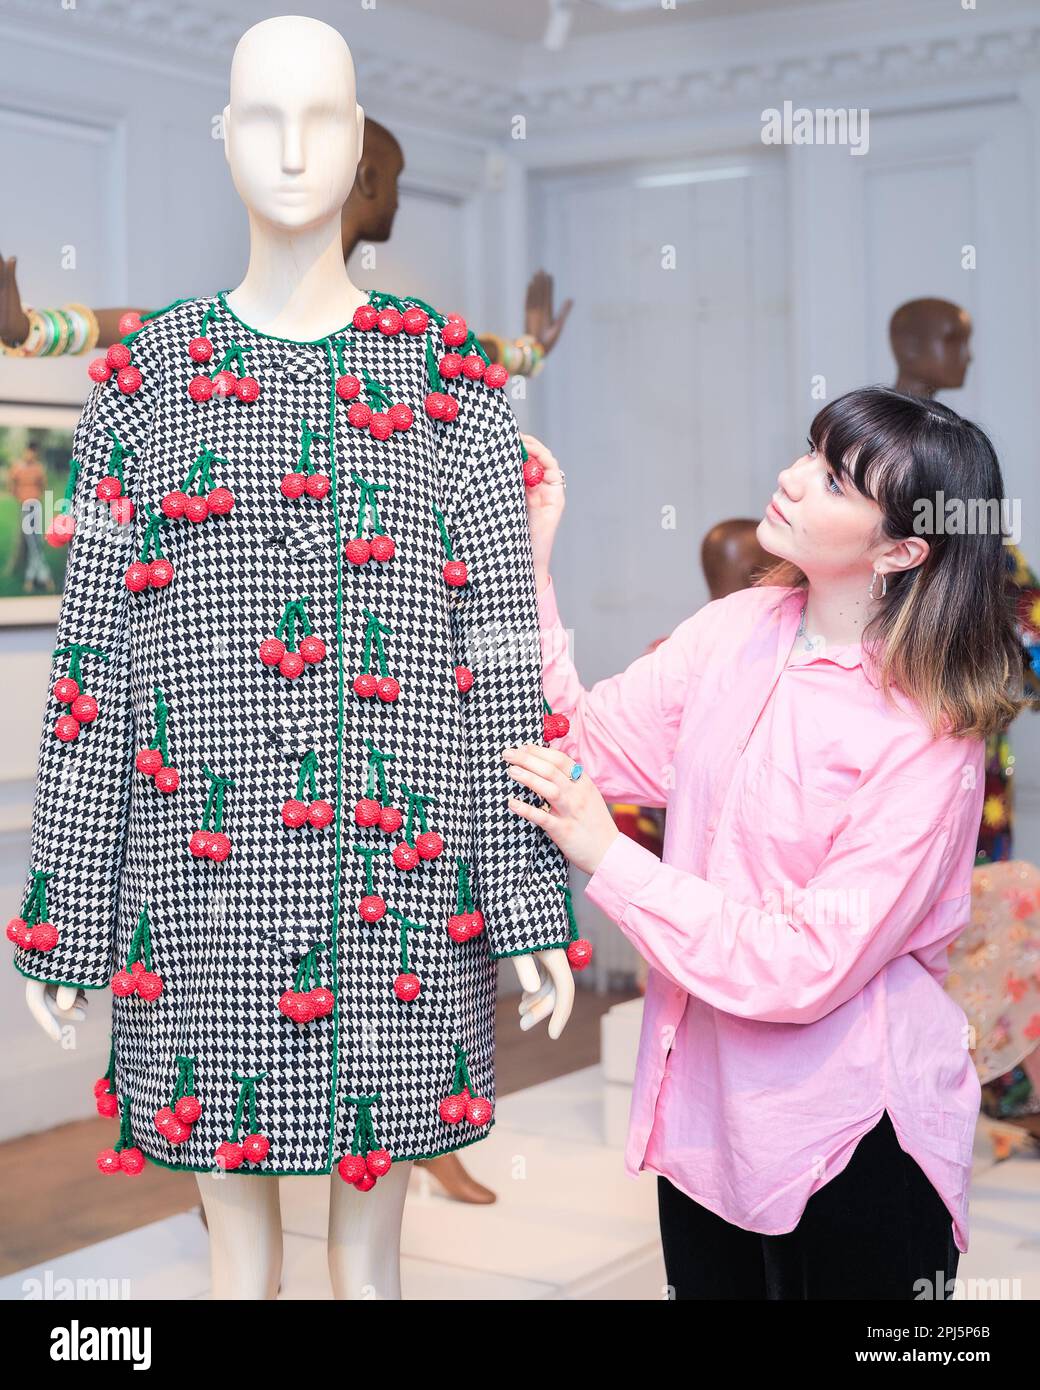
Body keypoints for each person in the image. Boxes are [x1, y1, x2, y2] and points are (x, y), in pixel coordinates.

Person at [502, 386, 1027, 1299]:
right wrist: (530, 559)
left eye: (831, 480)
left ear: (901, 550)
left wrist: (614, 858)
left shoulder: (929, 738)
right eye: (807, 453)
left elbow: (804, 960)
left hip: (854, 1133)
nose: (788, 479)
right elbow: (574, 747)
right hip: (707, 1118)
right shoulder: (738, 629)